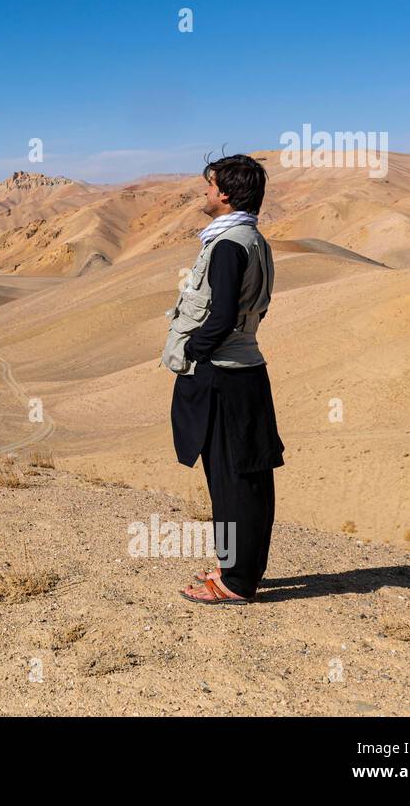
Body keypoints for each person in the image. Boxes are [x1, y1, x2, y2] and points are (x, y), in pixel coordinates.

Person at [161, 153, 285, 604]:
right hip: (245, 370)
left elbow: (222, 314)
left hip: (224, 376)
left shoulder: (228, 244)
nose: (205, 194)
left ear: (225, 194)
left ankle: (234, 583)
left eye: (209, 187)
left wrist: (195, 350)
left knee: (233, 481)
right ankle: (240, 569)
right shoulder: (250, 238)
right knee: (244, 478)